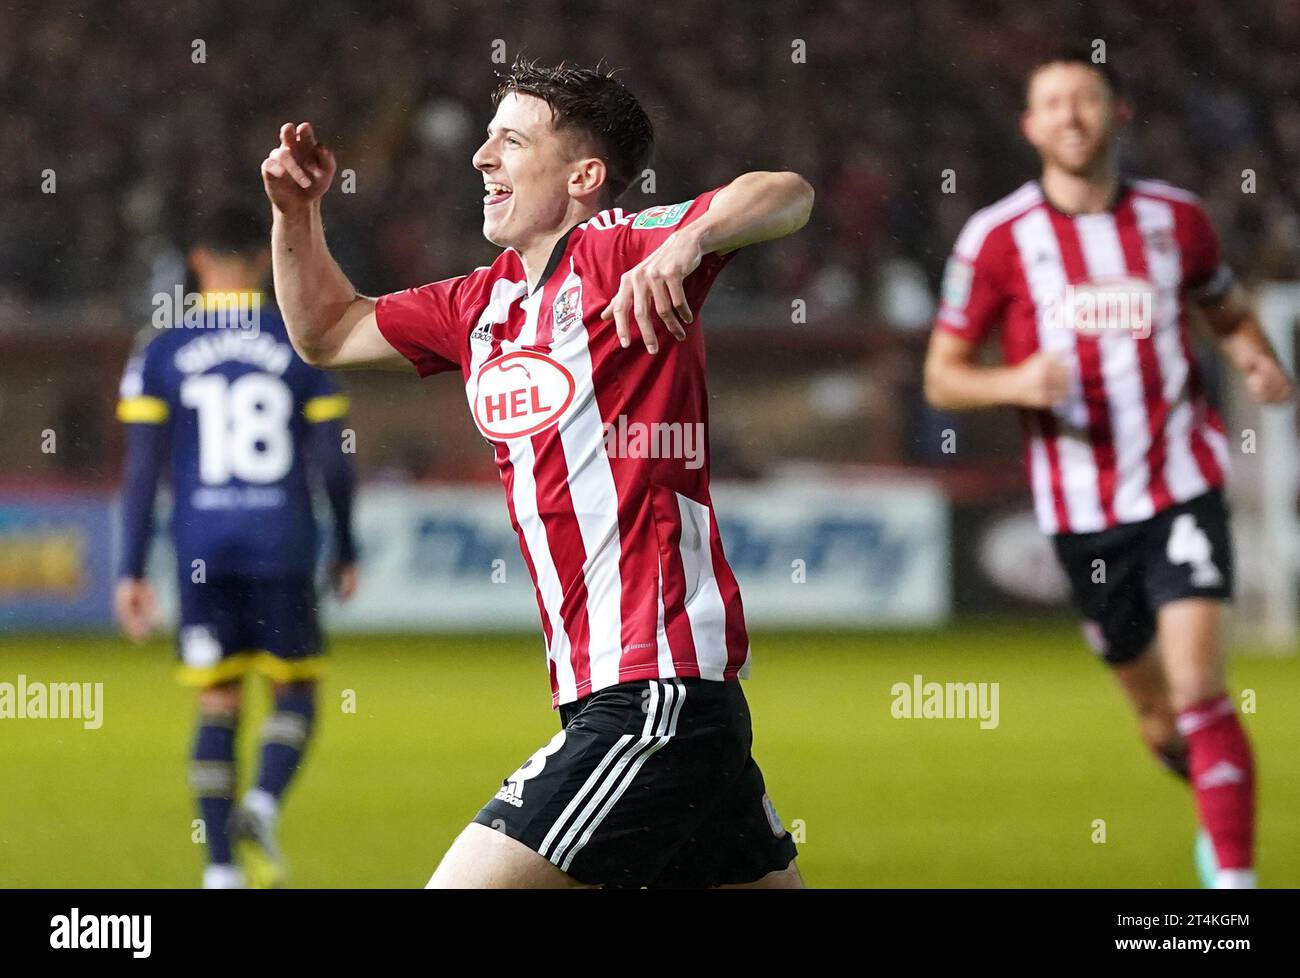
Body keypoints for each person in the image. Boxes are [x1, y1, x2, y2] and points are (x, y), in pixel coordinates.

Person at [261, 59, 814, 888]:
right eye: (486, 139)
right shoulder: (477, 305)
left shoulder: (627, 249)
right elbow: (327, 333)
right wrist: (297, 214)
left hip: (655, 687)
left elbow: (785, 192)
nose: (481, 158)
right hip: (613, 690)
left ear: (585, 176)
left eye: (511, 141)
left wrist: (693, 240)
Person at [924, 50, 1295, 888]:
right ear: (1030, 127)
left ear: (1117, 113)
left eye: (1085, 99)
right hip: (1079, 514)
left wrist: (1258, 362)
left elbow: (1226, 311)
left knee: (1200, 686)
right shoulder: (998, 238)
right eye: (1052, 103)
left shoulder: (1177, 219)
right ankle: (1203, 781)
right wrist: (1014, 380)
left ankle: (1232, 891)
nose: (1071, 116)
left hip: (1181, 486)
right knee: (1161, 718)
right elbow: (941, 374)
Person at [114, 202, 360, 888]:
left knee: (217, 701)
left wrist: (130, 569)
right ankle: (260, 803)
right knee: (296, 691)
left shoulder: (159, 350)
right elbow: (335, 459)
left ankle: (221, 870)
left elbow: (141, 472)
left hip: (202, 550)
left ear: (197, 263)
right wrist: (345, 543)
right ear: (261, 261)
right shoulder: (300, 340)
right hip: (282, 542)